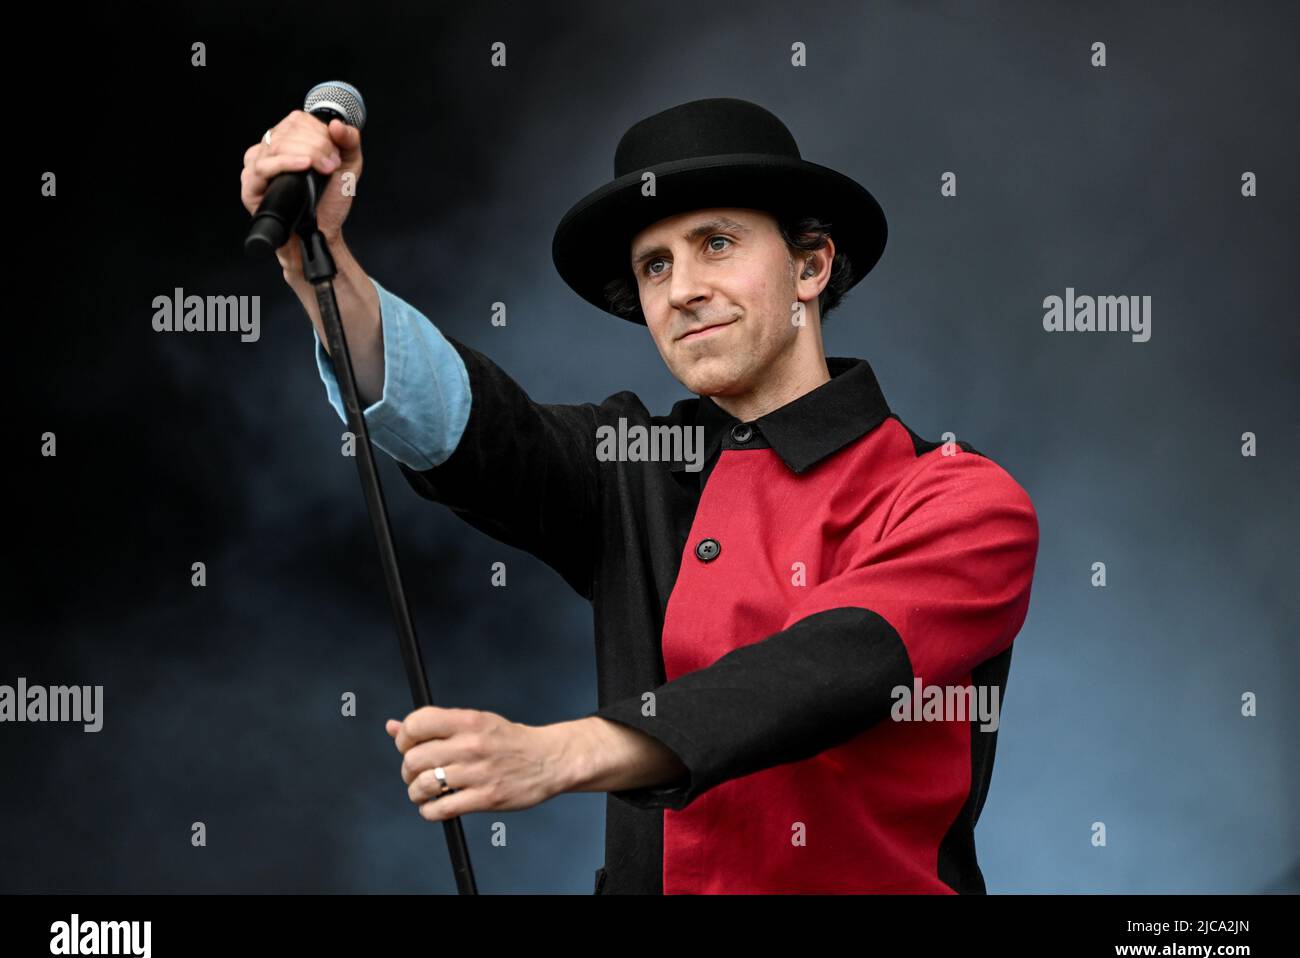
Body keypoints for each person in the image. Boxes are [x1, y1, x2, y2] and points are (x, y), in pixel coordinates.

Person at [239, 96, 1040, 895]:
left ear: (810, 265)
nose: (681, 290)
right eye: (655, 264)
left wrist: (566, 752)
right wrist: (320, 261)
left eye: (716, 244)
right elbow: (464, 423)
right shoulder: (634, 467)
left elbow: (833, 668)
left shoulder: (960, 498)